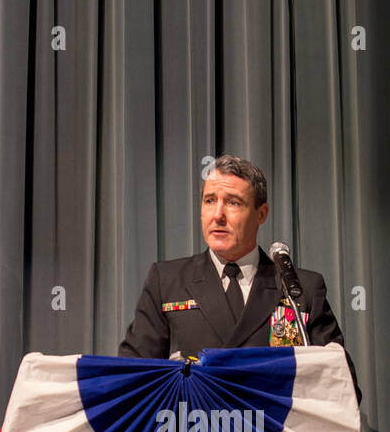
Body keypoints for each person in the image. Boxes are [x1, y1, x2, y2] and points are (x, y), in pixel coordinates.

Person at [118, 155, 357, 392]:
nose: (218, 215)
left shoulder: (300, 288)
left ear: (261, 214)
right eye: (210, 201)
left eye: (233, 203)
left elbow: (340, 384)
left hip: (270, 426)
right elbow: (132, 377)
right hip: (192, 425)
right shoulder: (167, 281)